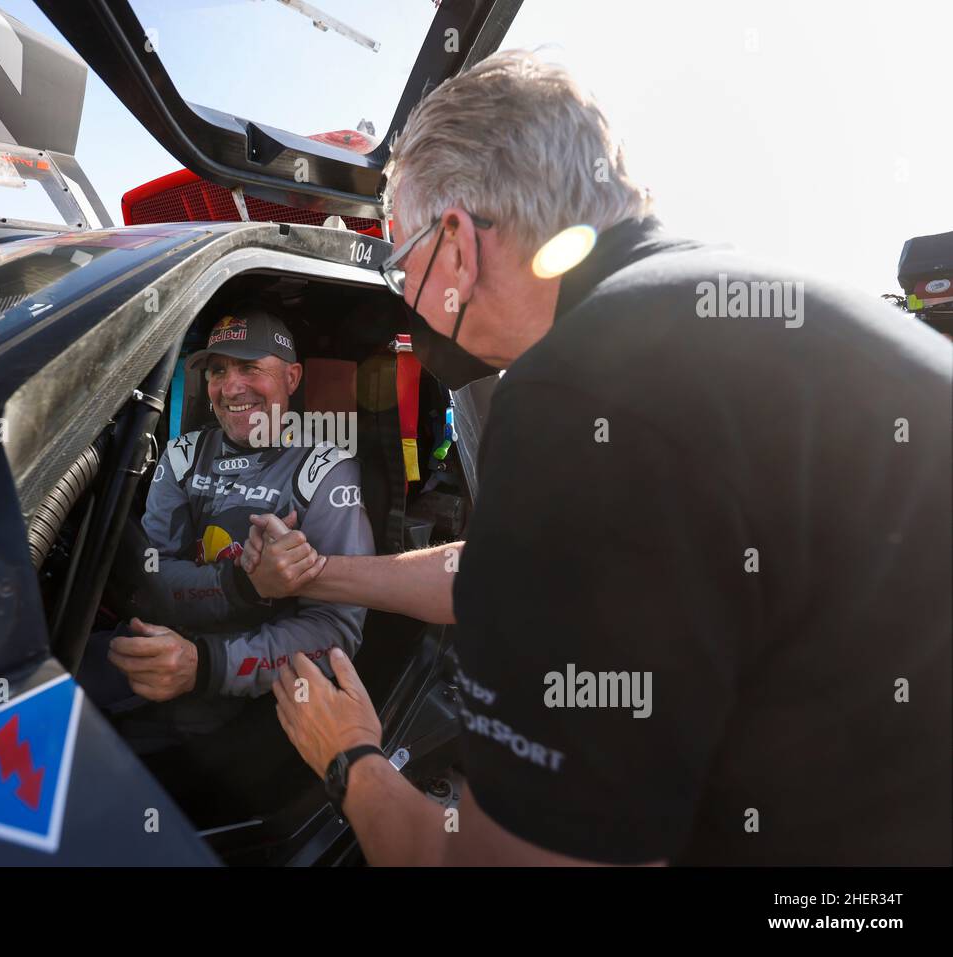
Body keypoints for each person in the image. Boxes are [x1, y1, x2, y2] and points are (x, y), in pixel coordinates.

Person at [242, 50, 951, 866]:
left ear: (458, 247)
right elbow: (515, 571)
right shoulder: (722, 304)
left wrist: (351, 756)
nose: (405, 303)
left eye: (403, 267)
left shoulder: (581, 389)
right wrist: (318, 575)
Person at [81, 306, 375, 754]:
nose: (230, 387)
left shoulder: (325, 472)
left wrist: (208, 665)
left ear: (292, 378)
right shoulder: (182, 455)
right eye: (217, 370)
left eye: (250, 367)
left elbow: (335, 628)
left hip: (247, 692)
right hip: (153, 644)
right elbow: (151, 579)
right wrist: (244, 583)